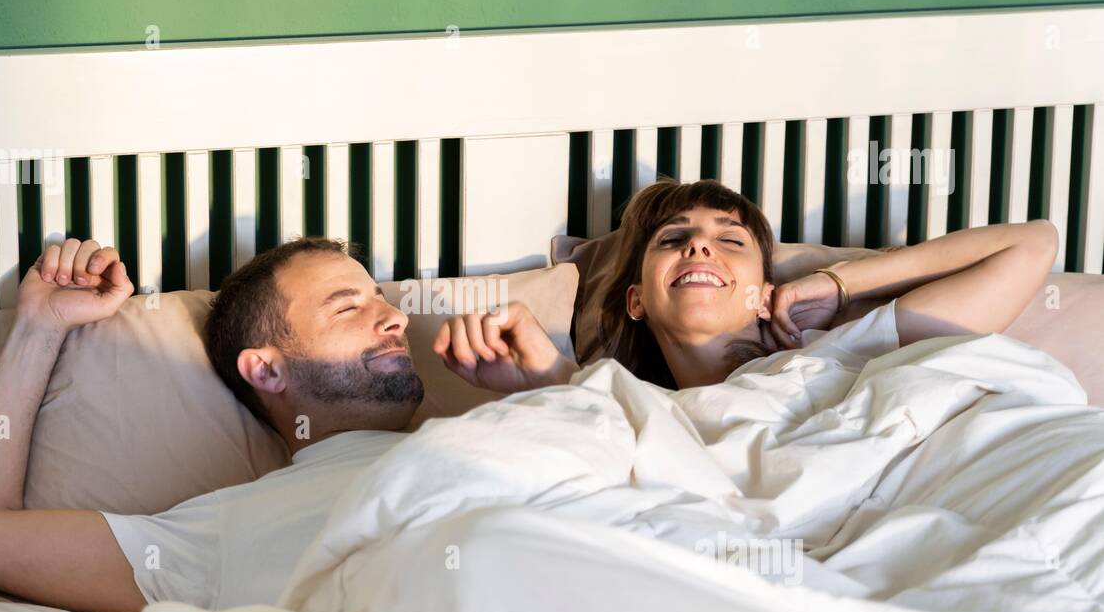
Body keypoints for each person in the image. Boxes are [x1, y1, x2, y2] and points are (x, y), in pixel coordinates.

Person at [0, 236, 423, 612]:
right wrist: (40, 325)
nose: (395, 318)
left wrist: (506, 389)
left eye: (381, 298)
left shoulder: (485, 423)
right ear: (267, 370)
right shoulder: (230, 528)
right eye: (348, 307)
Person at [434, 177, 1059, 393]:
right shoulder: (634, 410)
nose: (700, 245)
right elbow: (613, 416)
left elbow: (1032, 244)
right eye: (673, 239)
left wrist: (835, 285)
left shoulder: (847, 352)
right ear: (636, 301)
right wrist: (534, 376)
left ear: (763, 293)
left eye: (730, 241)